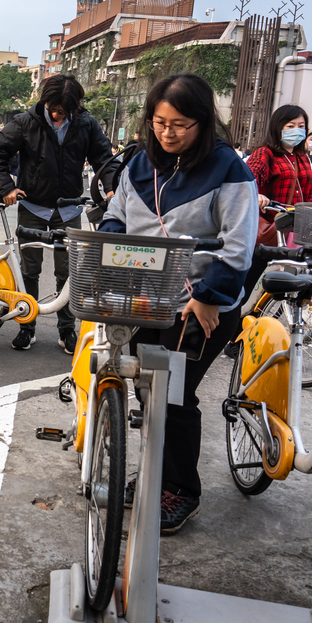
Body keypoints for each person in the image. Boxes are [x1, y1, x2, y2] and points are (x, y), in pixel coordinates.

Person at [99, 72, 258, 534]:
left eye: (180, 124)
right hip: (144, 299)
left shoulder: (229, 169)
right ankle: (155, 473)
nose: (167, 133)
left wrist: (211, 299)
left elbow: (238, 247)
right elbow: (115, 218)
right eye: (159, 122)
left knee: (175, 396)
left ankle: (181, 490)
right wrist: (108, 250)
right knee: (148, 392)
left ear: (204, 122)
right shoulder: (139, 165)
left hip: (199, 307)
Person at [0, 73, 116, 355]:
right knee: (29, 269)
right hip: (32, 206)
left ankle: (67, 330)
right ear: (45, 102)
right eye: (54, 110)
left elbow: (104, 159)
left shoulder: (86, 123)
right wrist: (7, 187)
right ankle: (26, 326)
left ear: (74, 107)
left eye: (63, 112)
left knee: (67, 273)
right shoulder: (26, 122)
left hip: (68, 209)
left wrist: (112, 188)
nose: (57, 116)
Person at [242, 104, 312, 299]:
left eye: (301, 126)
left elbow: (310, 190)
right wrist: (256, 195)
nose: (296, 130)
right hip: (269, 229)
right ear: (278, 128)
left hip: (297, 229)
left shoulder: (302, 157)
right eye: (290, 126)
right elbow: (246, 181)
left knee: (290, 282)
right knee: (254, 283)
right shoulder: (265, 153)